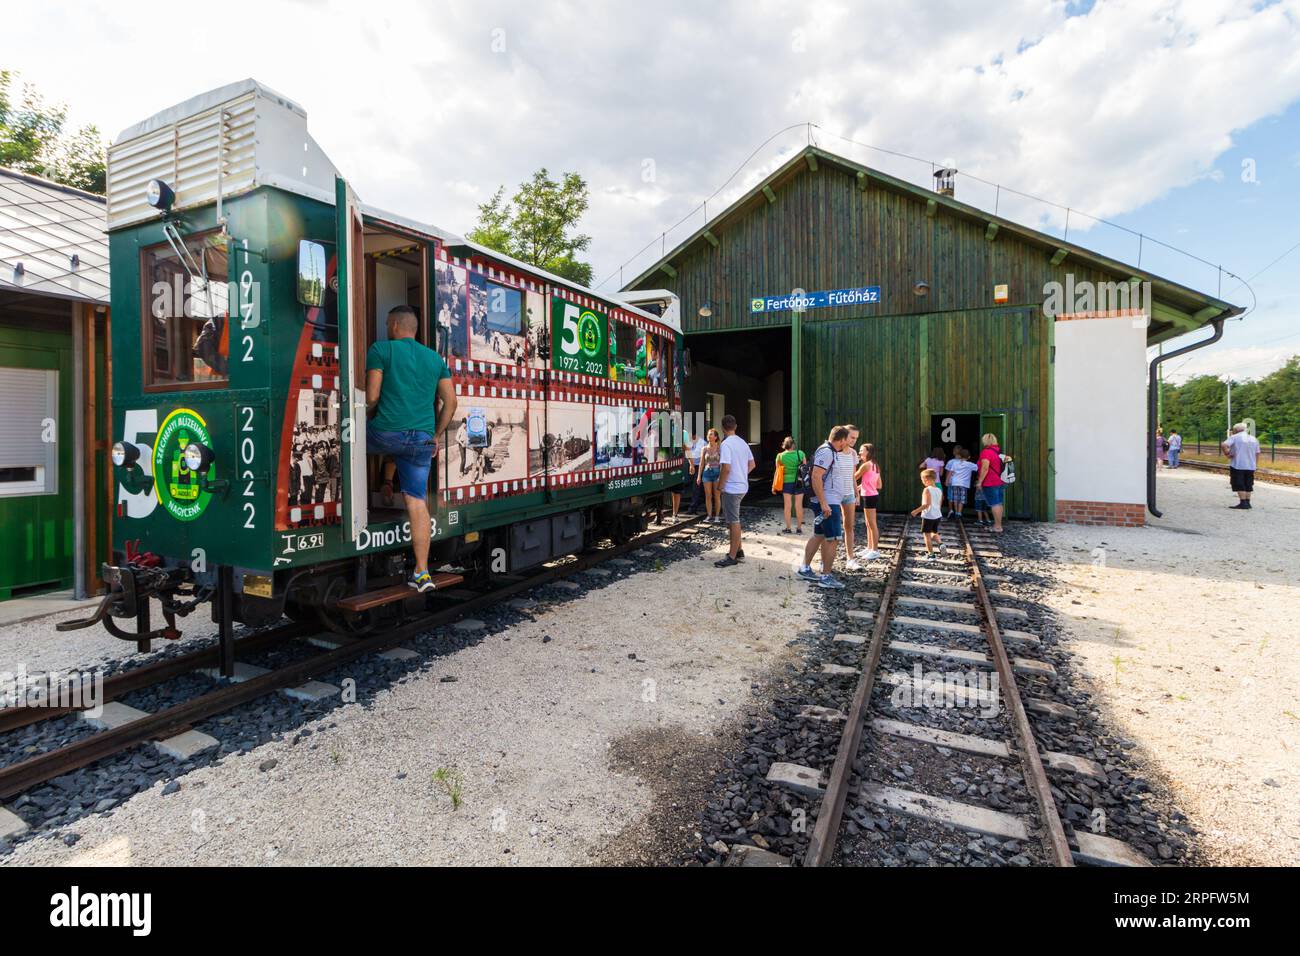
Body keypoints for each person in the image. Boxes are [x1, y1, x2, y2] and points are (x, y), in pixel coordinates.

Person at [366, 305, 458, 592]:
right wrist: (436, 435)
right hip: (421, 440)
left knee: (348, 444)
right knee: (417, 502)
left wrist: (363, 418)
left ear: (393, 325)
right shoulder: (434, 359)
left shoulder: (380, 349)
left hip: (385, 434)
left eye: (385, 323)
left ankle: (354, 507)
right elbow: (451, 403)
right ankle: (422, 572)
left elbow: (371, 396)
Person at [796, 426, 851, 590]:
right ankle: (826, 576)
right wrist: (824, 503)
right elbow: (816, 476)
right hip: (828, 503)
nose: (847, 444)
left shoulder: (831, 451)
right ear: (841, 439)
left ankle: (804, 568)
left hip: (828, 501)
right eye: (847, 440)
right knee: (832, 538)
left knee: (819, 535)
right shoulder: (827, 452)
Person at [714, 414, 755, 568]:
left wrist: (720, 485)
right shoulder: (743, 443)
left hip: (731, 488)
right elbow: (752, 464)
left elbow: (726, 467)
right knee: (733, 518)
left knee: (733, 520)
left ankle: (732, 557)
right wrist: (742, 474)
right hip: (742, 486)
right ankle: (739, 550)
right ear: (735, 426)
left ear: (723, 428)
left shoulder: (726, 444)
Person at [837, 425, 861, 568]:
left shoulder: (852, 453)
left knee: (849, 526)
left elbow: (852, 476)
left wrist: (856, 494)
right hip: (834, 495)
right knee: (830, 529)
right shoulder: (833, 451)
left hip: (848, 494)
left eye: (856, 438)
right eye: (852, 437)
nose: (854, 441)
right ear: (844, 435)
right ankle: (824, 561)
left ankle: (850, 559)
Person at [1221, 423, 1260, 510]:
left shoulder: (1235, 437)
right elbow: (1257, 453)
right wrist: (1255, 464)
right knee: (1248, 483)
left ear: (1235, 430)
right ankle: (1248, 502)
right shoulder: (1253, 438)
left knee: (1239, 483)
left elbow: (1224, 444)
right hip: (1251, 466)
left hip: (1238, 465)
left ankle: (1243, 503)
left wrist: (1227, 453)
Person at [975, 433, 1007, 533]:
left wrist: (980, 482)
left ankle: (997, 527)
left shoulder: (986, 452)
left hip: (990, 482)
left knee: (994, 504)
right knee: (999, 503)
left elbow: (985, 468)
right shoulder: (999, 451)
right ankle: (998, 525)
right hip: (1000, 480)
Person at [855, 442, 882, 560]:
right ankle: (870, 547)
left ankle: (875, 550)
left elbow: (853, 477)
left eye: (862, 450)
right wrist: (863, 486)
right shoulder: (875, 465)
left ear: (868, 452)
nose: (859, 452)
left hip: (869, 497)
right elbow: (879, 485)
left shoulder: (865, 465)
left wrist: (853, 463)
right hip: (872, 495)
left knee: (872, 524)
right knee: (868, 523)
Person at [911, 468, 945, 559]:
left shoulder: (927, 490)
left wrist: (916, 511)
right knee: (934, 532)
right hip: (937, 515)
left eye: (922, 480)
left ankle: (931, 555)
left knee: (927, 535)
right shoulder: (939, 490)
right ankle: (940, 544)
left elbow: (926, 504)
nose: (922, 482)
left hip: (928, 516)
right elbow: (939, 504)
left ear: (926, 479)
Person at [775, 436, 806, 534]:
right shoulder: (800, 453)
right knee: (798, 505)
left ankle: (788, 528)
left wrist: (774, 486)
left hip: (786, 482)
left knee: (787, 506)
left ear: (785, 445)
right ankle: (799, 528)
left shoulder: (780, 456)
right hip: (799, 482)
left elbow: (778, 471)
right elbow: (804, 469)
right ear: (793, 445)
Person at [943, 445, 978, 521]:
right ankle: (959, 513)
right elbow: (979, 467)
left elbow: (950, 473)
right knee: (961, 499)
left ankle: (955, 512)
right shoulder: (970, 464)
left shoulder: (954, 463)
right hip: (963, 484)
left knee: (955, 498)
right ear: (969, 457)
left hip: (954, 483)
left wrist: (947, 481)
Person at [698, 429, 722, 523]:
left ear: (715, 437)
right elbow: (701, 463)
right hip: (707, 472)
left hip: (717, 472)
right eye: (708, 434)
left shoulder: (720, 448)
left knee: (717, 496)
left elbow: (722, 463)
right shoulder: (704, 449)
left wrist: (721, 475)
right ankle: (709, 515)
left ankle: (717, 516)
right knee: (708, 495)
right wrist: (699, 476)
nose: (709, 436)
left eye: (711, 434)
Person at [686, 430, 706, 513]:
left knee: (696, 486)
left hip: (699, 466)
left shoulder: (703, 443)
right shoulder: (689, 442)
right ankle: (695, 503)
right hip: (690, 464)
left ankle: (693, 507)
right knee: (689, 485)